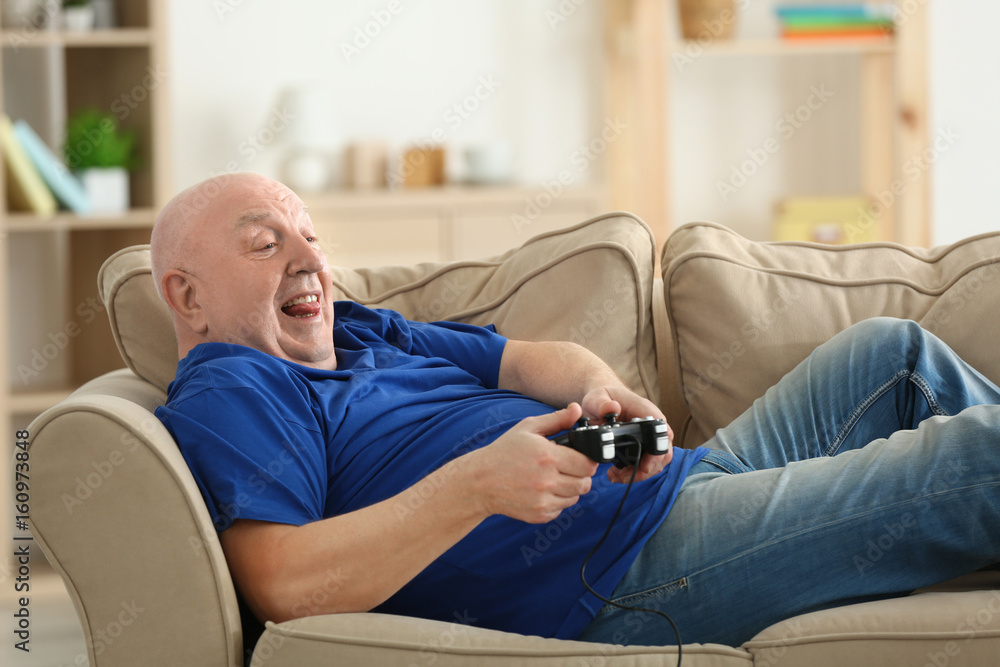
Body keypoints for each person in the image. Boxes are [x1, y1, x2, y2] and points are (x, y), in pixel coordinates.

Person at [152, 172, 1000, 650]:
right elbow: (283, 582)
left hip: (682, 485)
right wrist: (478, 485)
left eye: (311, 238)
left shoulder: (365, 330)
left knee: (894, 353)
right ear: (184, 295)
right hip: (621, 579)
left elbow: (527, 359)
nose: (310, 260)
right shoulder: (236, 387)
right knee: (978, 455)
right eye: (267, 243)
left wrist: (608, 392)